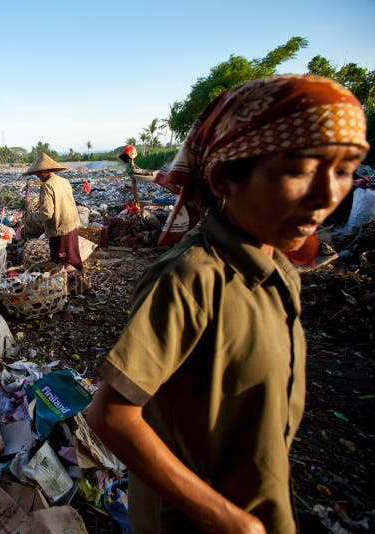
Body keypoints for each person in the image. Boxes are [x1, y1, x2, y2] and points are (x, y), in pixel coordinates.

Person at [86, 74, 368, 533]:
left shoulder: (280, 269)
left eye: (343, 170)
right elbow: (111, 414)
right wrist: (232, 521)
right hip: (194, 521)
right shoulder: (189, 278)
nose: (328, 196)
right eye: (298, 170)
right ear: (224, 179)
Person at [24, 152, 91, 293]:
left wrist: (30, 218)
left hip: (60, 227)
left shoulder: (47, 185)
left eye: (37, 173)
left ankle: (83, 284)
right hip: (72, 223)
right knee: (73, 255)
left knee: (62, 259)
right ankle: (73, 284)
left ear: (43, 171)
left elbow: (47, 213)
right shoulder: (63, 181)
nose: (37, 176)